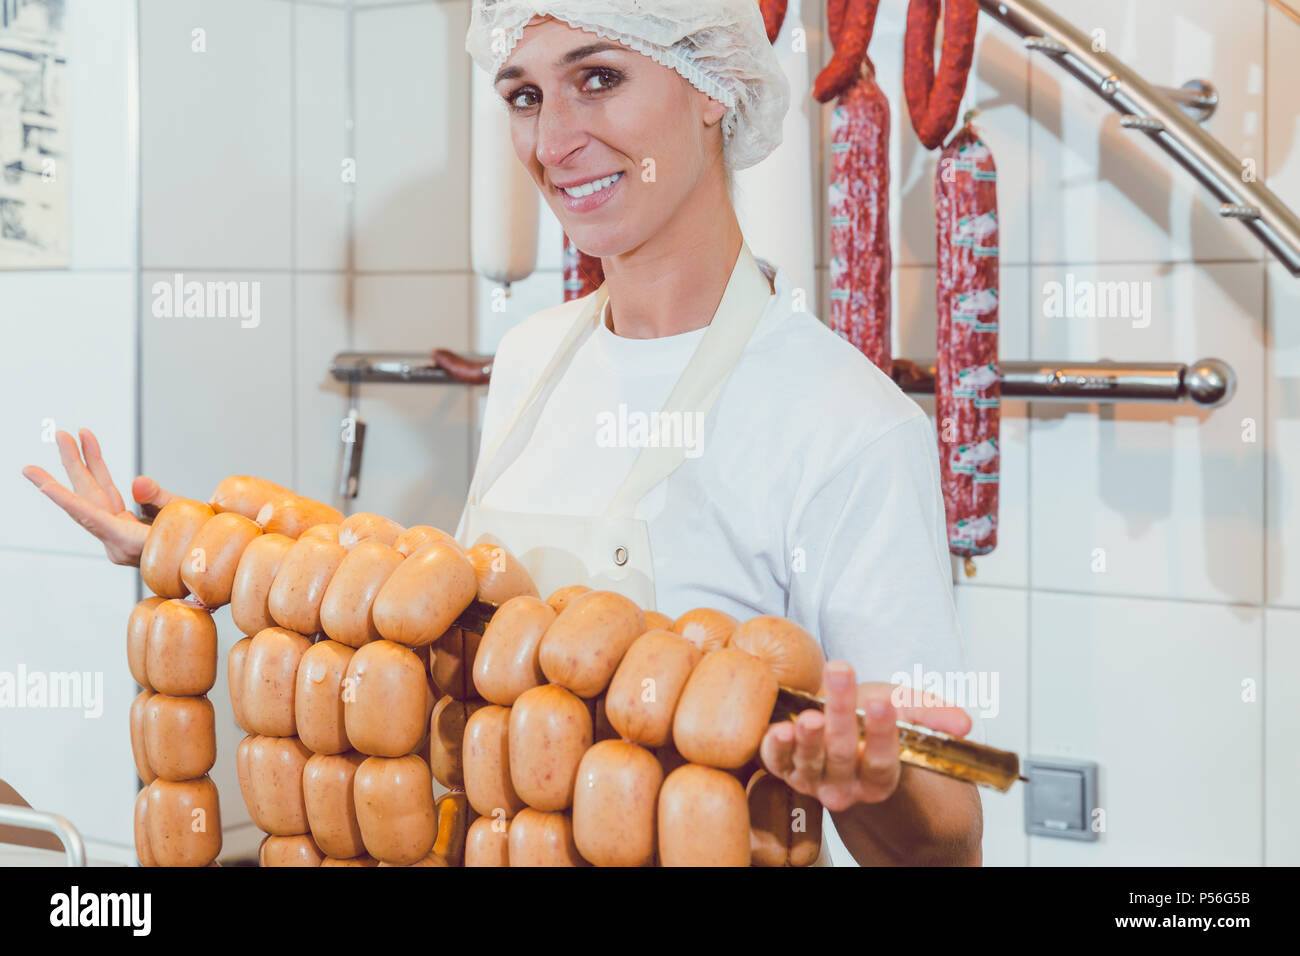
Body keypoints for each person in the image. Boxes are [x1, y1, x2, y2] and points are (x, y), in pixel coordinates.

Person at [24, 0, 983, 866]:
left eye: (598, 78)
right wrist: (180, 548)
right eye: (524, 95)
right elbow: (438, 612)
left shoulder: (847, 425)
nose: (554, 139)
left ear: (712, 88)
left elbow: (951, 845)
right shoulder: (532, 360)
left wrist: (872, 787)